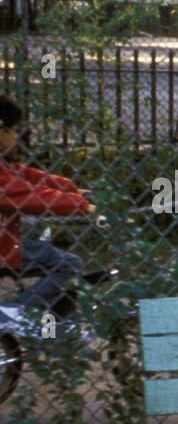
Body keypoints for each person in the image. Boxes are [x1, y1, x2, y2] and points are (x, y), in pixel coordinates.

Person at [0, 94, 94, 335]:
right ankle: (17, 311)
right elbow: (31, 196)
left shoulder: (5, 166)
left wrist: (74, 190)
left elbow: (30, 178)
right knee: (69, 265)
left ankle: (55, 331)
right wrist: (85, 207)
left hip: (6, 243)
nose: (16, 137)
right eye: (15, 130)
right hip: (3, 247)